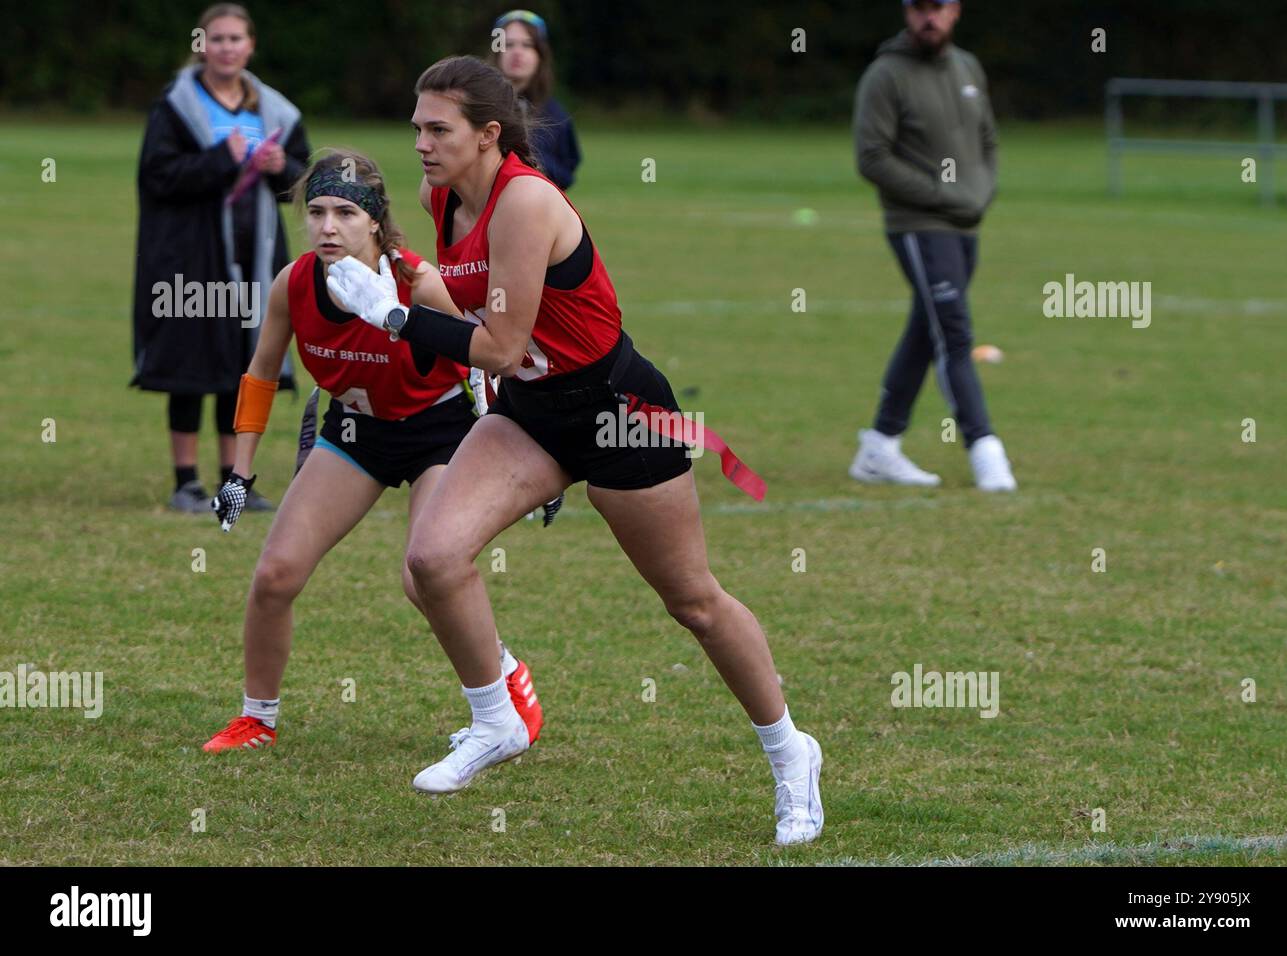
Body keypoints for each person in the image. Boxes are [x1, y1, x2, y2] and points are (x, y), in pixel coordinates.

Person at [326, 57, 822, 845]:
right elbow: (476, 318)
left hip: (619, 411)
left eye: (437, 129)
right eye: (416, 126)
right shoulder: (440, 197)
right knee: (432, 560)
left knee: (692, 601)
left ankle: (792, 753)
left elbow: (497, 342)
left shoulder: (527, 202)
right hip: (533, 411)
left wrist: (388, 315)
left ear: (488, 134)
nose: (419, 143)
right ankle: (499, 719)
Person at [201, 150, 542, 753]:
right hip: (357, 432)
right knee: (275, 575)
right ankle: (257, 719)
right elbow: (258, 376)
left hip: (440, 433)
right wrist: (239, 473)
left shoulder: (418, 281)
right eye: (316, 211)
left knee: (424, 577)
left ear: (376, 223)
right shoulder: (294, 282)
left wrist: (530, 452)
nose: (328, 226)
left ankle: (506, 678)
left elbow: (490, 359)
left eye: (346, 212)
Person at [131, 3, 308, 514]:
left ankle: (237, 481)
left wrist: (282, 167)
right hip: (191, 258)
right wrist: (218, 159)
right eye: (218, 38)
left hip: (256, 259)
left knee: (242, 364)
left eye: (237, 38)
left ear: (251, 45)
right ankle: (185, 481)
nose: (227, 47)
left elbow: (301, 183)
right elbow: (157, 177)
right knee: (191, 362)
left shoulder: (275, 110)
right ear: (201, 45)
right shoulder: (175, 107)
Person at [850, 0, 1017, 491]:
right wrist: (944, 197)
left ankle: (880, 445)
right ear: (906, 12)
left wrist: (980, 194)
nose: (929, 18)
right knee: (955, 331)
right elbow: (872, 157)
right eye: (919, 8)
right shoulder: (885, 75)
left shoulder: (968, 67)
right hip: (919, 223)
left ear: (956, 10)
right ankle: (986, 450)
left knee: (929, 327)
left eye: (938, 7)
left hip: (966, 223)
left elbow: (988, 141)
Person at [491, 10, 581, 190]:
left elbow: (567, 172)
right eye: (508, 44)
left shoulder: (557, 116)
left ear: (540, 54)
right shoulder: (475, 107)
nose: (517, 52)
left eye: (527, 45)